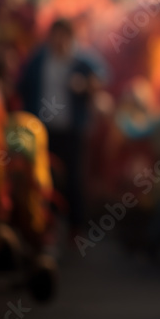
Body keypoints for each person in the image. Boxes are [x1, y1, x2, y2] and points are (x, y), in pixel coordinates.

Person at [17, 19, 105, 233]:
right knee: (43, 176)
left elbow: (100, 79)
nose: (59, 41)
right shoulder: (39, 59)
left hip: (72, 130)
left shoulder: (81, 60)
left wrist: (84, 86)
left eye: (64, 36)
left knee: (74, 178)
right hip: (43, 129)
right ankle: (44, 223)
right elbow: (22, 85)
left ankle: (76, 227)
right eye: (56, 35)